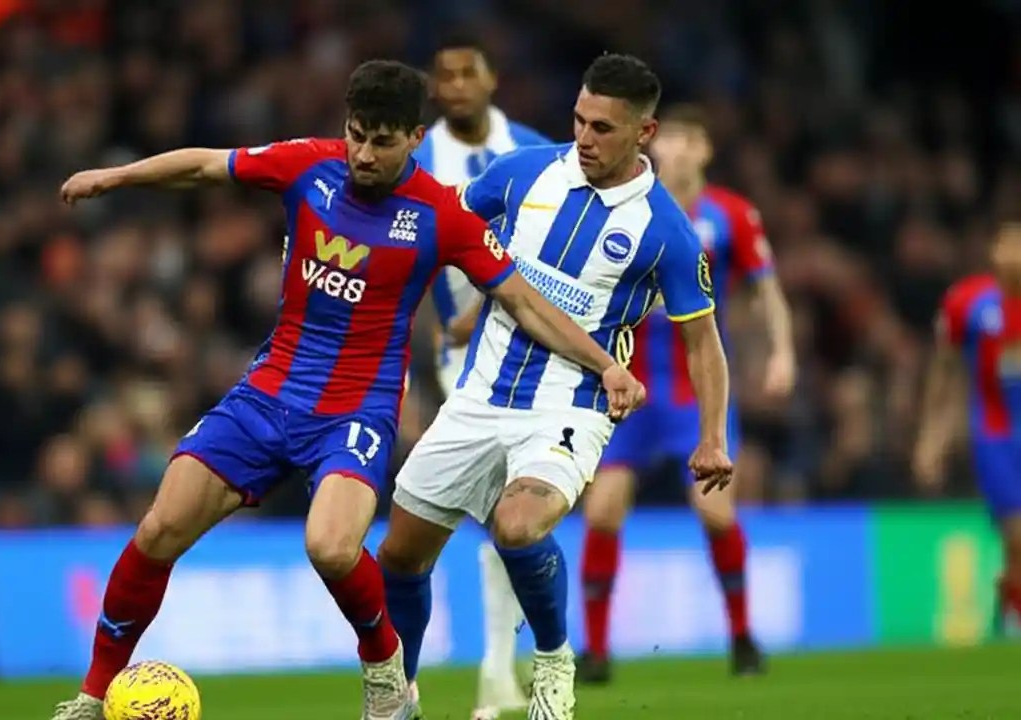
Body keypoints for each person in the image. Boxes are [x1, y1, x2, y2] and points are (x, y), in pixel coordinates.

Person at [50, 59, 643, 720]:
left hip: (356, 412)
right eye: (356, 134)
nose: (363, 153)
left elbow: (524, 302)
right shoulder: (308, 165)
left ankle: (385, 667)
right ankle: (93, 695)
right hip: (267, 393)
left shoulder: (441, 213)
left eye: (382, 140)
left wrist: (606, 366)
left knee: (330, 547)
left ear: (414, 137)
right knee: (159, 528)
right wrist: (116, 178)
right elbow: (205, 166)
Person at [378, 54, 732, 720]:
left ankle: (553, 660)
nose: (585, 137)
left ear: (644, 134)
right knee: (398, 555)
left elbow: (702, 340)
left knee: (517, 526)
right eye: (578, 119)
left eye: (603, 127)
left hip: (571, 407)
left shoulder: (666, 232)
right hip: (480, 395)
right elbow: (439, 229)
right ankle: (400, 696)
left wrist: (713, 436)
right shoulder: (520, 173)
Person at [576, 104, 796, 683]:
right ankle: (596, 653)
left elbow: (767, 291)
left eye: (684, 139)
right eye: (665, 137)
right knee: (600, 512)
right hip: (628, 389)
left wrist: (782, 352)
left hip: (694, 394)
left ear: (704, 151)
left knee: (716, 513)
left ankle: (744, 638)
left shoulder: (730, 216)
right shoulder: (623, 206)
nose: (673, 149)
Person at [410, 33, 550, 720]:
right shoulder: (420, 157)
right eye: (446, 75)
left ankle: (501, 670)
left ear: (492, 79)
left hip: (527, 342)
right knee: (488, 509)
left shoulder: (532, 146)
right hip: (460, 353)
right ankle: (500, 670)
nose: (457, 84)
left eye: (469, 72)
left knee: (506, 507)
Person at [914, 220, 1021, 639]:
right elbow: (944, 373)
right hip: (995, 435)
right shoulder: (967, 302)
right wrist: (931, 438)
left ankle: (1006, 599)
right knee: (1017, 534)